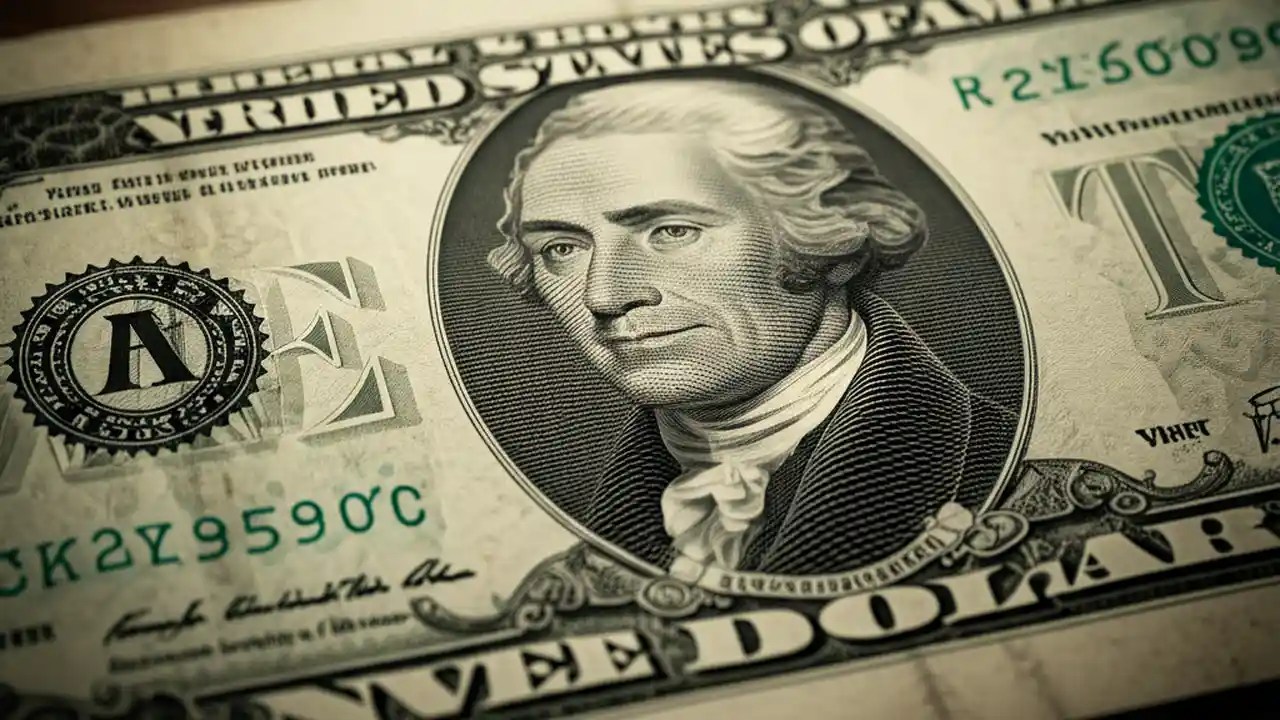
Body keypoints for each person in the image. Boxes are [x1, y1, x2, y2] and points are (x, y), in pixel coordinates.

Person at [487, 78, 1017, 577]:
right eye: (561, 249)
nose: (603, 295)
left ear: (827, 241)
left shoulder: (1010, 468)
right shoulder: (580, 530)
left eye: (673, 231)